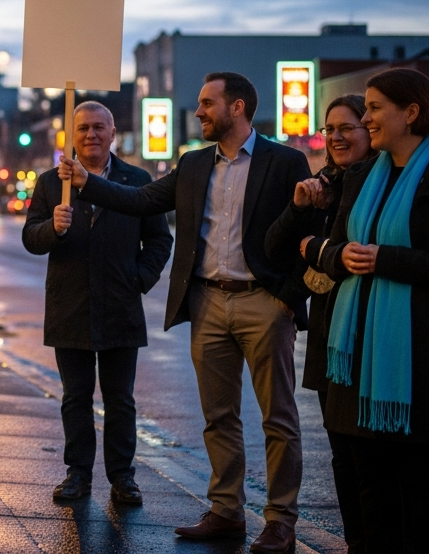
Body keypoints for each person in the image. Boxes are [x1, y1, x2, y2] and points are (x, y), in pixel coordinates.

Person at [62, 72, 310, 552]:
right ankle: (226, 511)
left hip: (264, 300)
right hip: (209, 301)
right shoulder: (194, 164)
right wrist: (87, 183)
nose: (198, 112)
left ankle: (280, 520)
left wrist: (288, 296)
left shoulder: (285, 161)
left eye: (206, 103)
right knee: (218, 416)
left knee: (278, 417)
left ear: (236, 107)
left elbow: (309, 226)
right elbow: (140, 200)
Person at [316, 68, 429, 554]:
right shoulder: (364, 175)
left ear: (410, 113)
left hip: (419, 358)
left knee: (420, 477)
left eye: (373, 108)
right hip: (358, 355)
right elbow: (343, 241)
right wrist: (340, 252)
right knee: (370, 478)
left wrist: (386, 259)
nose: (365, 117)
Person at [22, 101, 172, 505]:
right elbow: (30, 237)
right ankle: (78, 474)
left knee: (120, 398)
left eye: (99, 127)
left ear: (112, 133)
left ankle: (122, 477)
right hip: (70, 304)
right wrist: (51, 229)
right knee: (75, 396)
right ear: (72, 135)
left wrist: (139, 278)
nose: (91, 135)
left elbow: (159, 239)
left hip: (120, 304)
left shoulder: (137, 179)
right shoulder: (52, 182)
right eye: (83, 128)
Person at [265, 94, 376, 554]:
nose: (335, 137)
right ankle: (357, 542)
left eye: (347, 127)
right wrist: (297, 206)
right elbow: (273, 246)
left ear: (371, 131)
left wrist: (315, 250)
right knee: (343, 455)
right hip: (332, 334)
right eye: (330, 129)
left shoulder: (378, 187)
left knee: (373, 457)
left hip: (367, 332)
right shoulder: (321, 184)